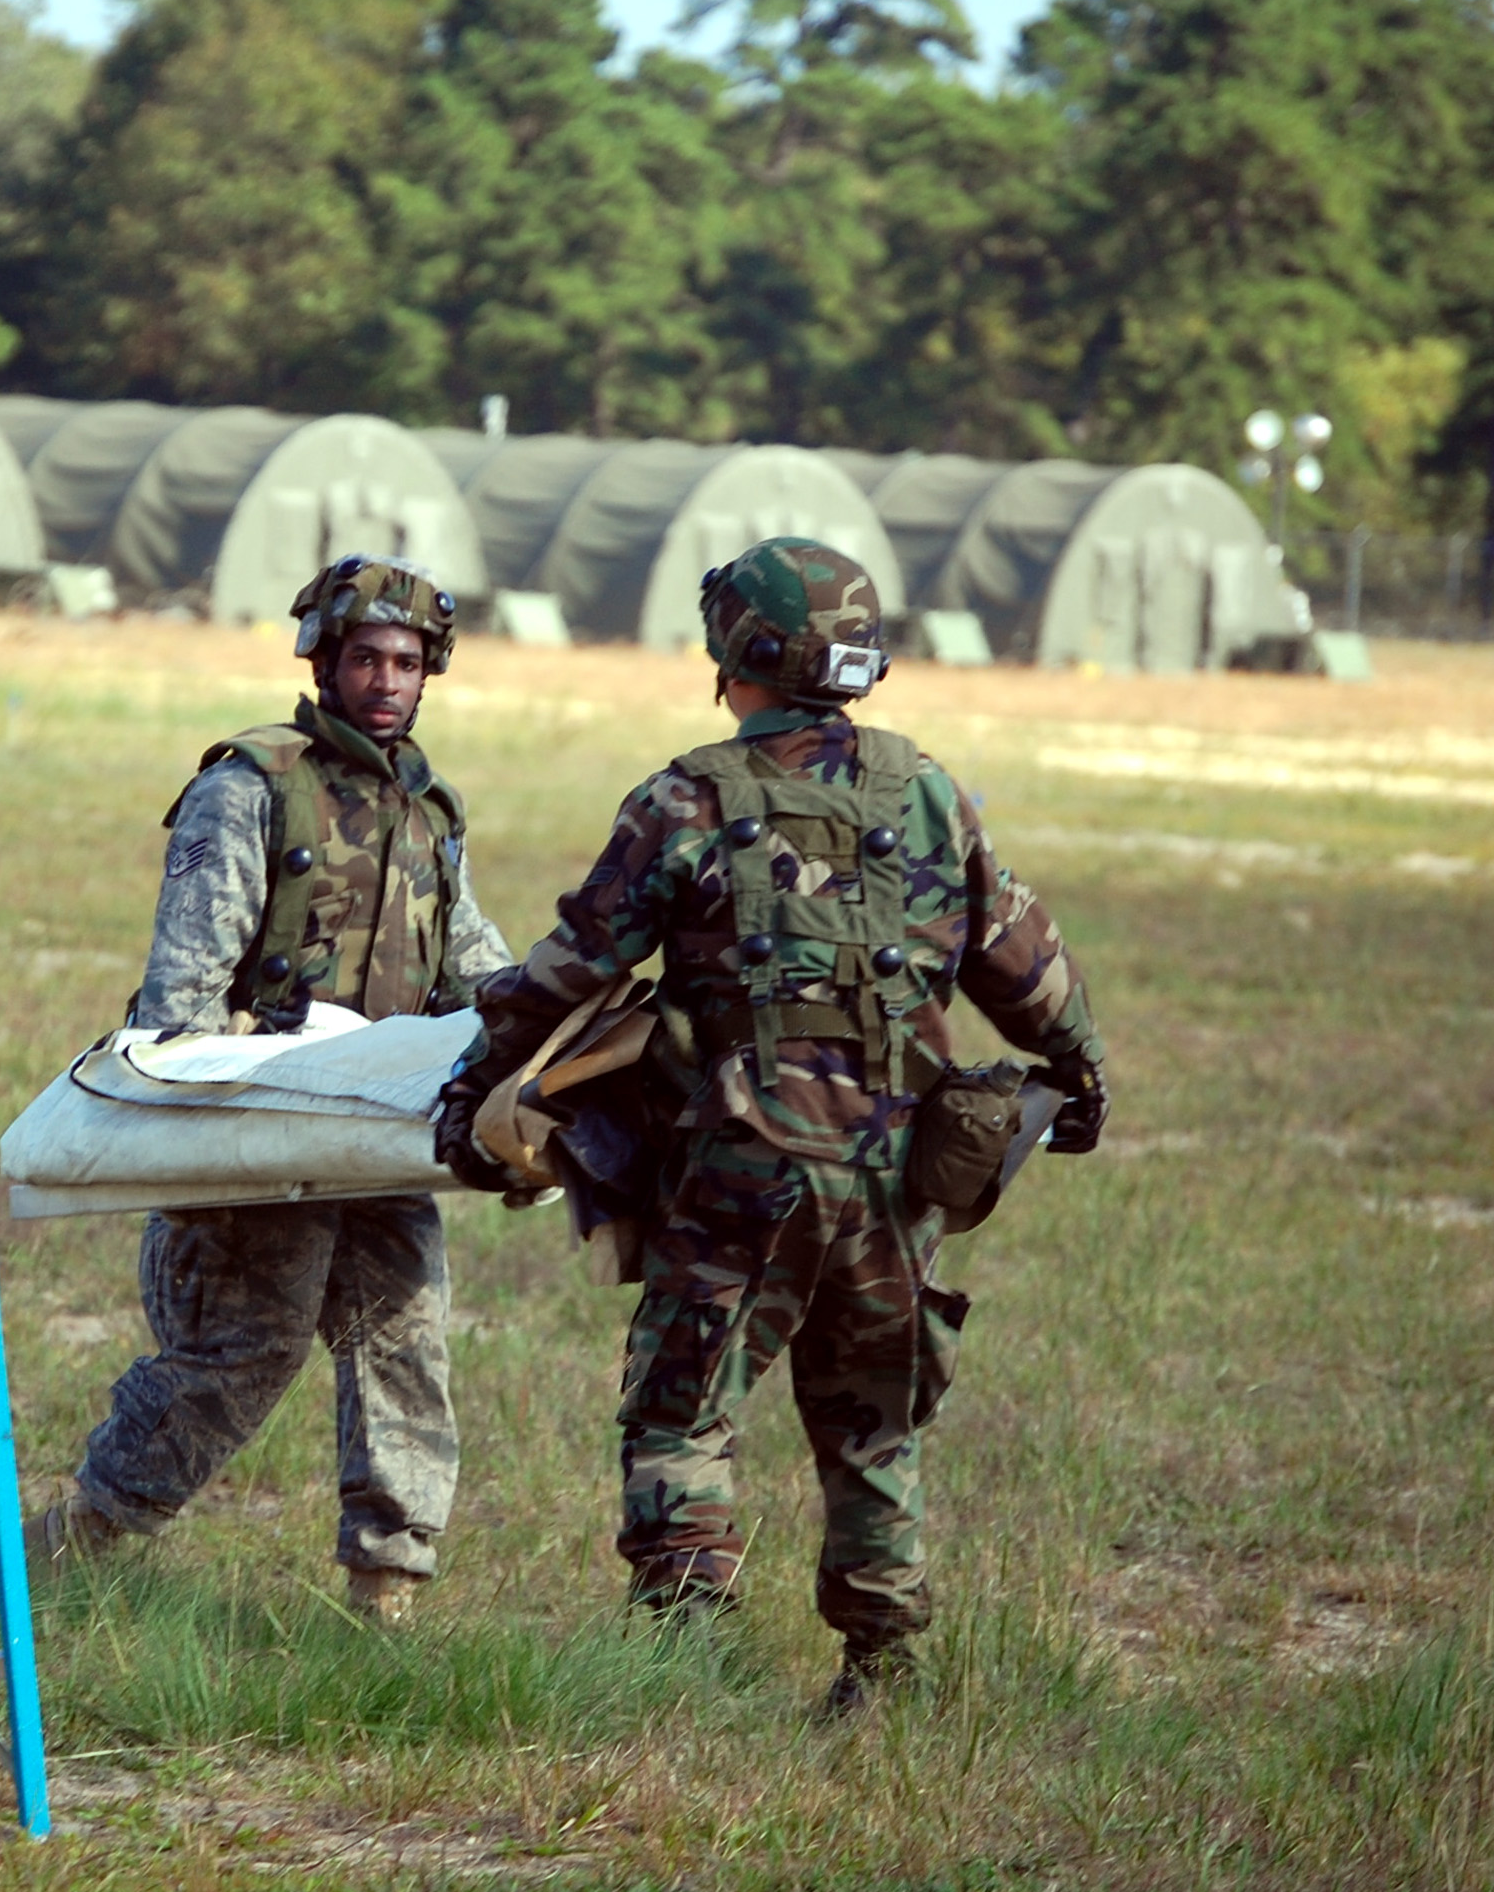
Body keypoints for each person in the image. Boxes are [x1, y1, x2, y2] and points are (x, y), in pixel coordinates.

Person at [433, 538, 1107, 1708]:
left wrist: (468, 1087)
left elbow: (569, 968)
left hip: (745, 1165)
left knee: (680, 1406)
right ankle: (884, 1670)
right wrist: (1081, 1072)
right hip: (895, 1174)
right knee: (871, 1425)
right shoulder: (928, 793)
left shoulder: (685, 798)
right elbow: (1023, 961)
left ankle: (683, 1665)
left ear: (734, 651)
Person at [30, 556, 515, 1623]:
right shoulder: (249, 786)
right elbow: (180, 998)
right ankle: (72, 1549)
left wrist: (559, 1014)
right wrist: (224, 1099)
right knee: (239, 1359)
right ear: (322, 661)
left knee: (405, 1346)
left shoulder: (427, 810)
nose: (387, 681)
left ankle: (383, 1600)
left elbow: (475, 969)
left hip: (379, 1129)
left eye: (406, 662)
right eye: (365, 659)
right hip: (253, 1121)